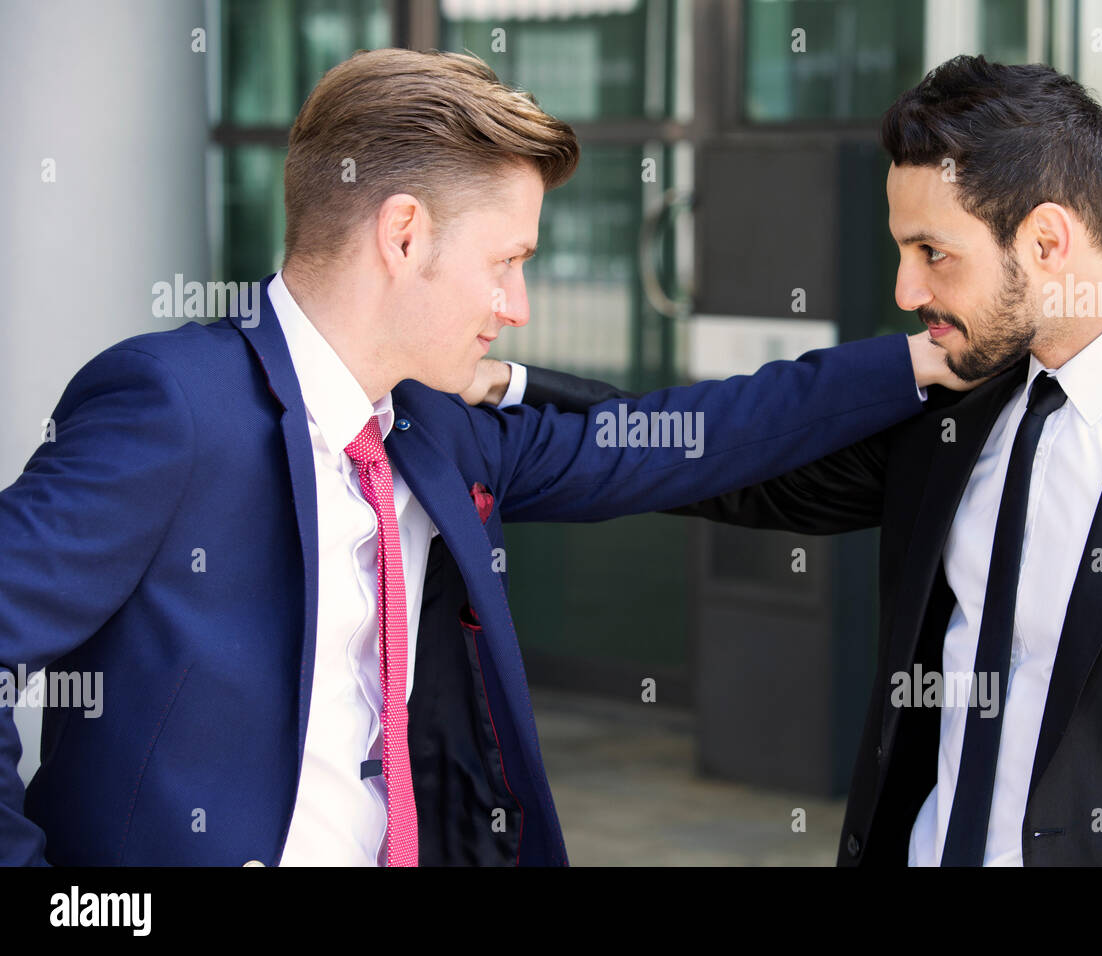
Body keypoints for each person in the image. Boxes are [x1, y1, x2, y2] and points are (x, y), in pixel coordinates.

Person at [0, 49, 972, 867]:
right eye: (506, 260)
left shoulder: (436, 425)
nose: (517, 305)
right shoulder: (175, 405)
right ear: (404, 233)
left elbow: (680, 438)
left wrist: (908, 361)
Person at [479, 55, 1102, 865]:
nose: (907, 291)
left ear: (1048, 240)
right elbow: (731, 459)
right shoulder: (960, 399)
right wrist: (512, 392)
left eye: (932, 253)